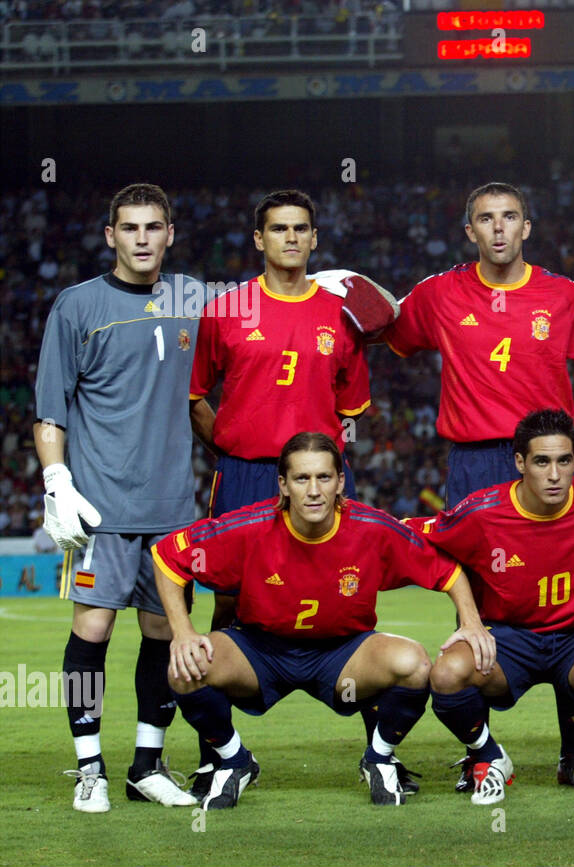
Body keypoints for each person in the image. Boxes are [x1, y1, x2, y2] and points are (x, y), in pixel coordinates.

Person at [386, 182, 574, 790]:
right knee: (490, 613)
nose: (498, 229)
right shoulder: (439, 293)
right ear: (469, 231)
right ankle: (483, 750)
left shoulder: (564, 296)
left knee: (571, 607)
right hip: (473, 460)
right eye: (485, 219)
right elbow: (386, 329)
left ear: (527, 226)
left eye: (510, 217)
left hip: (548, 463)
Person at [153, 432, 468, 807]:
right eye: (302, 479)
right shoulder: (249, 527)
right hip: (260, 653)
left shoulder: (372, 528)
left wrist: (472, 623)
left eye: (323, 477)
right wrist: (183, 632)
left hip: (343, 656)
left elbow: (445, 570)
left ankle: (379, 757)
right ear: (283, 486)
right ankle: (234, 760)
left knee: (413, 663)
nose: (314, 490)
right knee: (184, 669)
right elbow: (168, 555)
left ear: (340, 482)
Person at [187, 188, 382, 792]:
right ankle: (219, 754)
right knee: (223, 605)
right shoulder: (225, 310)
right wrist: (236, 446)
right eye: (278, 229)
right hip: (244, 472)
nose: (290, 239)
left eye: (301, 229)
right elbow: (195, 396)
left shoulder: (338, 316)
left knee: (348, 603)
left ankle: (379, 754)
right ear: (259, 239)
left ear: (315, 240)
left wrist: (317, 465)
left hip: (318, 482)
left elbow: (353, 407)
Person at [34, 183, 202, 813]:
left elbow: (264, 313)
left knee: (162, 631)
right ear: (111, 236)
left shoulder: (193, 298)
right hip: (101, 509)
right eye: (129, 228)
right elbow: (51, 408)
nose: (141, 239)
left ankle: (147, 766)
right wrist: (57, 483)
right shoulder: (75, 307)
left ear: (169, 234)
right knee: (94, 628)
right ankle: (88, 768)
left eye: (153, 227)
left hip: (172, 509)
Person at [408, 409, 574, 803]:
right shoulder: (482, 512)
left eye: (564, 461)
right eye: (541, 461)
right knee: (447, 675)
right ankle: (490, 757)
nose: (554, 475)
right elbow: (420, 542)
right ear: (520, 462)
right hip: (509, 641)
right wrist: (469, 618)